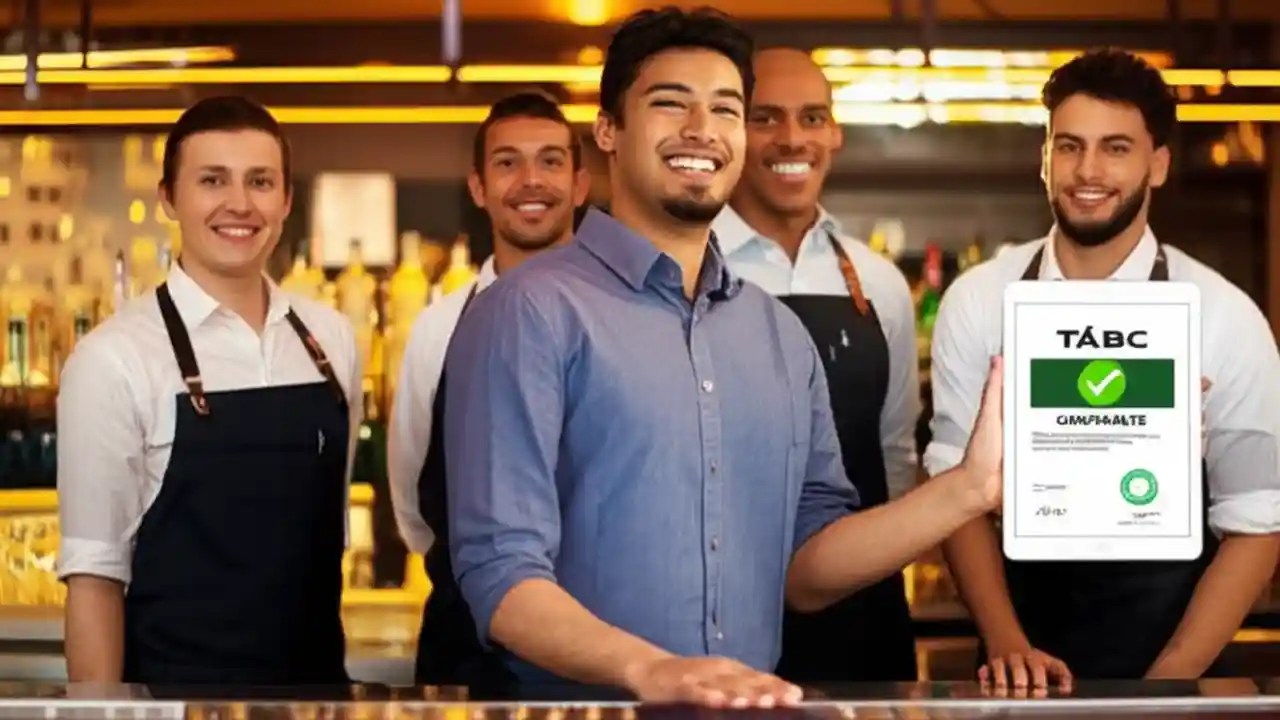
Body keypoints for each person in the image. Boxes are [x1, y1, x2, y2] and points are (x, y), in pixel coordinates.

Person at [443, 6, 1005, 706]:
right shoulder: (527, 312)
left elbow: (805, 565)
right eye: (670, 104)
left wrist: (968, 490)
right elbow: (499, 572)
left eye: (725, 109)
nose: (700, 130)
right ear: (608, 129)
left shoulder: (776, 335)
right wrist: (648, 669)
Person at [927, 48, 1280, 688]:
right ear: (1044, 158)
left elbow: (1258, 518)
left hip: (1177, 657)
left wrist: (1170, 681)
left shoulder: (1225, 318)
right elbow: (956, 497)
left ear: (1159, 163)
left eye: (1116, 148)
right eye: (1068, 146)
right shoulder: (980, 300)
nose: (1087, 170)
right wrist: (1007, 643)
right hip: (1015, 667)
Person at [56, 96, 363, 685]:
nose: (240, 204)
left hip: (318, 702)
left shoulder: (332, 341)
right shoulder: (113, 360)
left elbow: (331, 544)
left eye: (261, 182)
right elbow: (94, 584)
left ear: (287, 199)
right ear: (169, 197)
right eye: (212, 180)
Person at [712, 46, 921, 683]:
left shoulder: (879, 283)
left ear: (835, 133)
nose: (792, 137)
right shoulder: (690, 264)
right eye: (766, 117)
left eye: (812, 117)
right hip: (721, 609)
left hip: (861, 608)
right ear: (736, 132)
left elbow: (893, 457)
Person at [387, 90, 589, 686]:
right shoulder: (438, 327)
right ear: (478, 187)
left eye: (551, 161)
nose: (531, 180)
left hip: (603, 647)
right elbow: (413, 505)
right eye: (508, 163)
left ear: (580, 183)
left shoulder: (628, 321)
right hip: (467, 653)